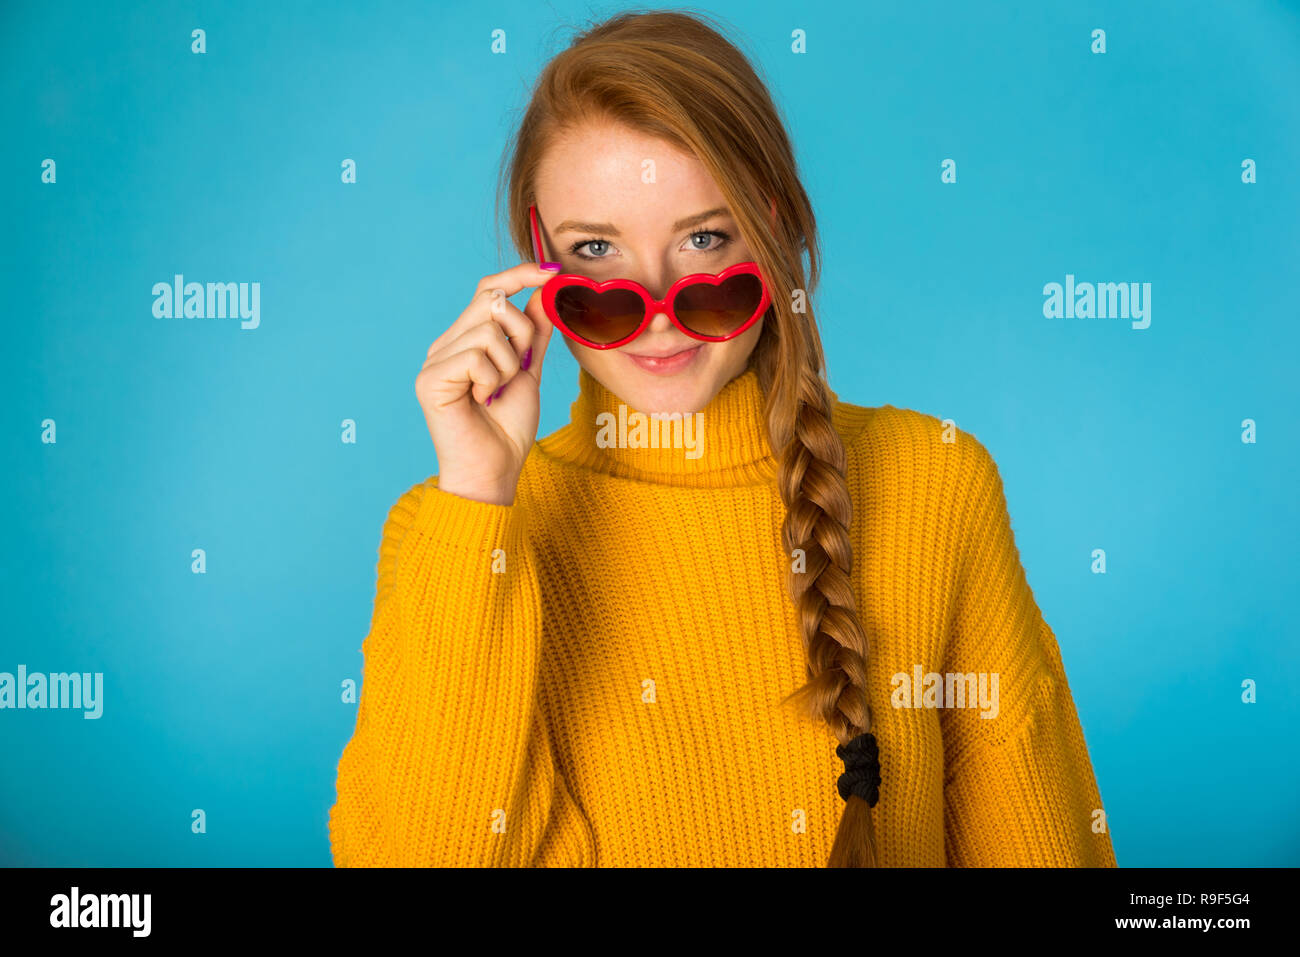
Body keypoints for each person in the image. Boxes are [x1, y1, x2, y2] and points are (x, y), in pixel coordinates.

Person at [328, 9, 1117, 868]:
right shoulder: (447, 535)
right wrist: (478, 499)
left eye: (704, 239)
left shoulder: (937, 485)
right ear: (537, 257)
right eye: (597, 248)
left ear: (770, 228)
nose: (659, 311)